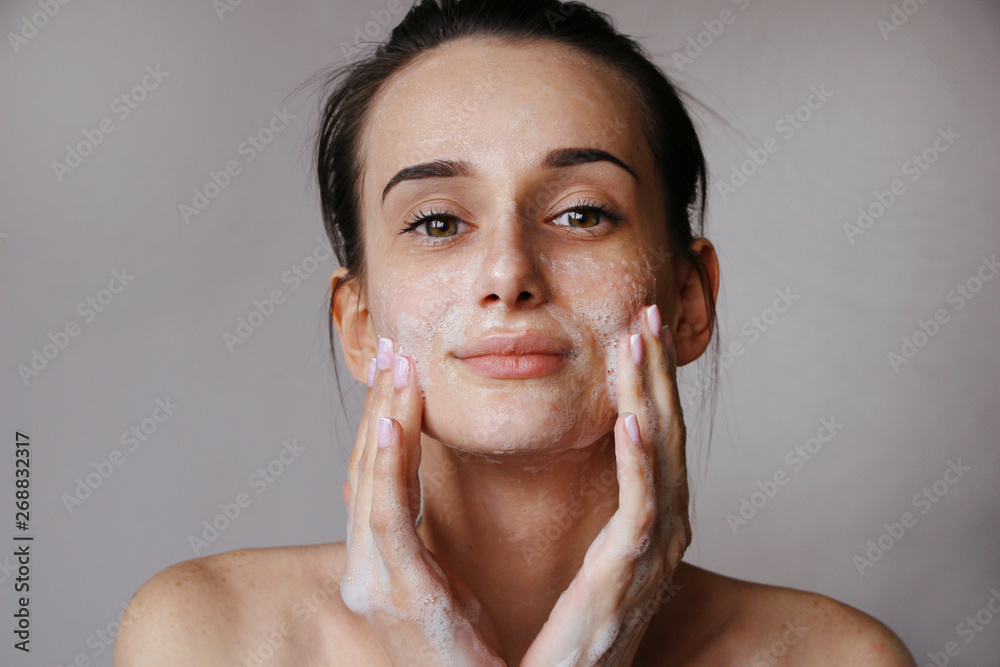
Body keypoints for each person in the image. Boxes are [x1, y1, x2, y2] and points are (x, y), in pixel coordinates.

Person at [115, 0, 917, 664]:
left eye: (581, 212)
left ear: (687, 300)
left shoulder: (833, 656)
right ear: (360, 324)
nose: (509, 271)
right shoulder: (209, 636)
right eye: (436, 221)